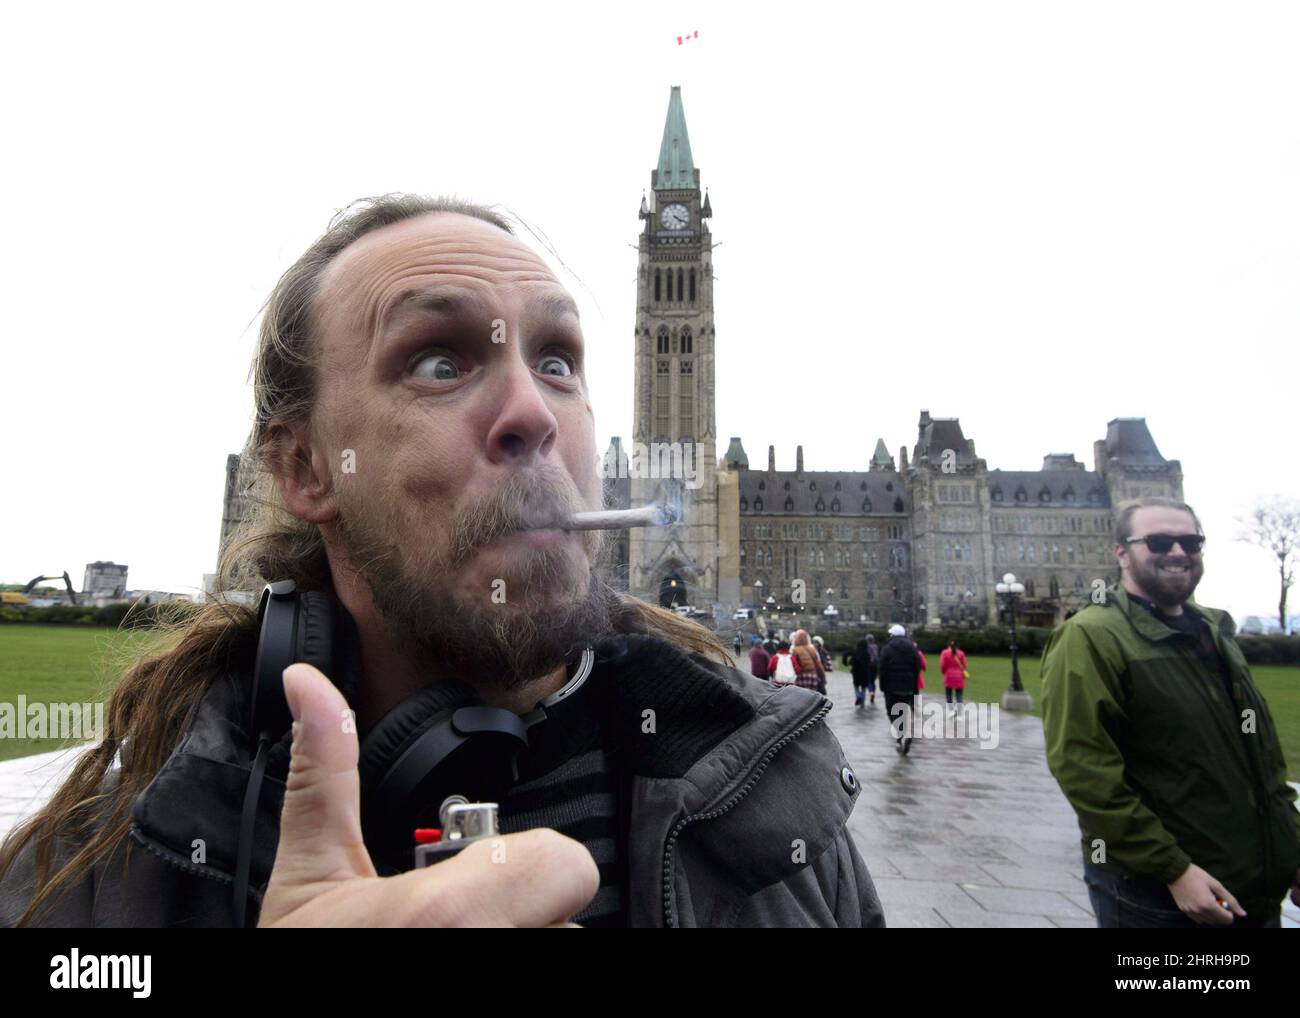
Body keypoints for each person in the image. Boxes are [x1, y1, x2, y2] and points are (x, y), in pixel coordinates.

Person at [0, 195, 883, 929]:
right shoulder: (93, 880)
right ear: (305, 465)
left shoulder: (785, 827)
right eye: (439, 360)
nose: (532, 411)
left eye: (557, 361)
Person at [1041, 496, 1300, 929]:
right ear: (1121, 553)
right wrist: (1173, 869)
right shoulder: (1090, 636)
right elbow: (1085, 771)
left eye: (1191, 542)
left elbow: (1262, 762)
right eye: (1159, 542)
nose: (1178, 552)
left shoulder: (1214, 631)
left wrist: (1291, 848)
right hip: (1161, 896)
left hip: (1252, 888)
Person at [877, 624, 922, 755]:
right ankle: (903, 736)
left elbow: (882, 669)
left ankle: (900, 735)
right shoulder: (912, 648)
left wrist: (882, 685)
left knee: (892, 712)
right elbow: (917, 667)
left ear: (893, 635)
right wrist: (913, 685)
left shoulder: (887, 648)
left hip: (891, 687)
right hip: (907, 686)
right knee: (903, 711)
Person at [848, 633, 879, 708]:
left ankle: (858, 696)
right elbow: (870, 661)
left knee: (856, 686)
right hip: (866, 672)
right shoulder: (868, 652)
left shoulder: (855, 652)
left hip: (856, 673)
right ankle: (863, 702)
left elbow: (851, 662)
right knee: (864, 687)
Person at [791, 630, 827, 694]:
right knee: (811, 696)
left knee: (801, 696)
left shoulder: (795, 650)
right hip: (813, 676)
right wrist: (823, 677)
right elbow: (819, 665)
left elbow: (793, 664)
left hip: (801, 676)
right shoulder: (812, 649)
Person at [939, 640, 968, 708]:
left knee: (948, 694)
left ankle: (950, 711)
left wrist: (943, 672)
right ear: (957, 646)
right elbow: (965, 665)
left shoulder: (944, 653)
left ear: (948, 645)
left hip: (948, 676)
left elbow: (942, 665)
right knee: (959, 695)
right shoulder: (961, 653)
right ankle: (960, 712)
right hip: (959, 676)